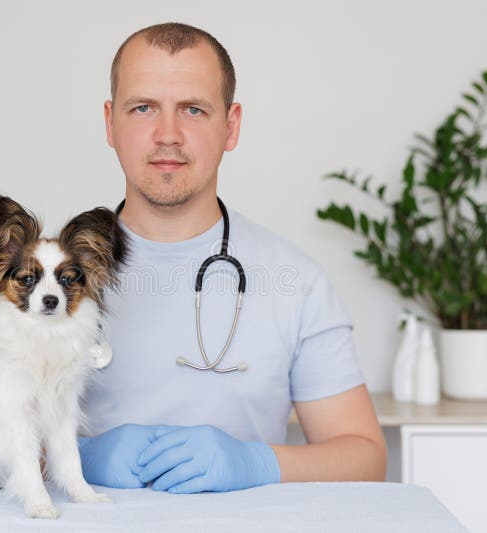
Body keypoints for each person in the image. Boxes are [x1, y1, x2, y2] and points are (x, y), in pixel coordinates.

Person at [78, 22, 386, 494]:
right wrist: (76, 458)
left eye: (194, 110)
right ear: (109, 123)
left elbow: (365, 457)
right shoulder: (44, 276)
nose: (167, 134)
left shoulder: (296, 282)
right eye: (143, 108)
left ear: (231, 125)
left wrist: (256, 462)